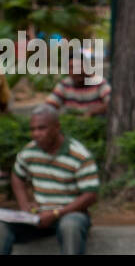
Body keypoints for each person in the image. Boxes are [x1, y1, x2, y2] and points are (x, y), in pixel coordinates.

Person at [2, 105, 98, 254]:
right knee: (1, 226)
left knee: (71, 226)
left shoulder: (79, 155)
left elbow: (90, 195)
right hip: (38, 215)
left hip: (70, 213)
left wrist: (56, 214)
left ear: (57, 127)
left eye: (41, 128)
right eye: (32, 129)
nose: (36, 134)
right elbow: (18, 176)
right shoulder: (29, 151)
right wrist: (24, 204)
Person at [45, 56, 111, 116]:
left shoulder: (99, 83)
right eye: (72, 68)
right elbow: (50, 104)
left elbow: (111, 103)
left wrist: (95, 111)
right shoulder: (64, 84)